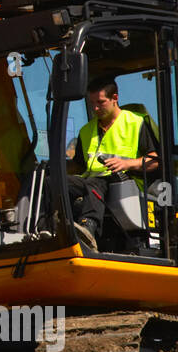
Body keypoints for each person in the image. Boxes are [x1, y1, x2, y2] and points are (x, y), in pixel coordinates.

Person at [67, 76, 159, 250]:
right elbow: (78, 164)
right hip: (91, 181)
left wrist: (126, 164)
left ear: (115, 98)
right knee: (52, 182)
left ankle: (87, 228)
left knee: (96, 182)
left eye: (100, 102)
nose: (95, 108)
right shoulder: (86, 130)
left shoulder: (135, 122)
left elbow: (155, 160)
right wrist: (52, 167)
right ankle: (43, 227)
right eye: (92, 102)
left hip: (125, 182)